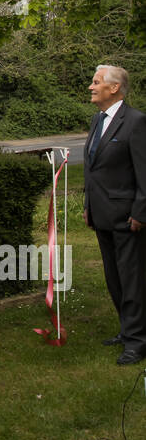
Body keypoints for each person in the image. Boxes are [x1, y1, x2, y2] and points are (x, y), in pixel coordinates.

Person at [83, 65, 146, 366]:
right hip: (101, 215)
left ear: (115, 88)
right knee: (113, 278)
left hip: (127, 217)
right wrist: (88, 206)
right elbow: (92, 167)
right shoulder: (98, 120)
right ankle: (127, 329)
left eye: (96, 83)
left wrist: (140, 212)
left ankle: (137, 342)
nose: (91, 87)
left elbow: (144, 172)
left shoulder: (136, 122)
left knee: (132, 279)